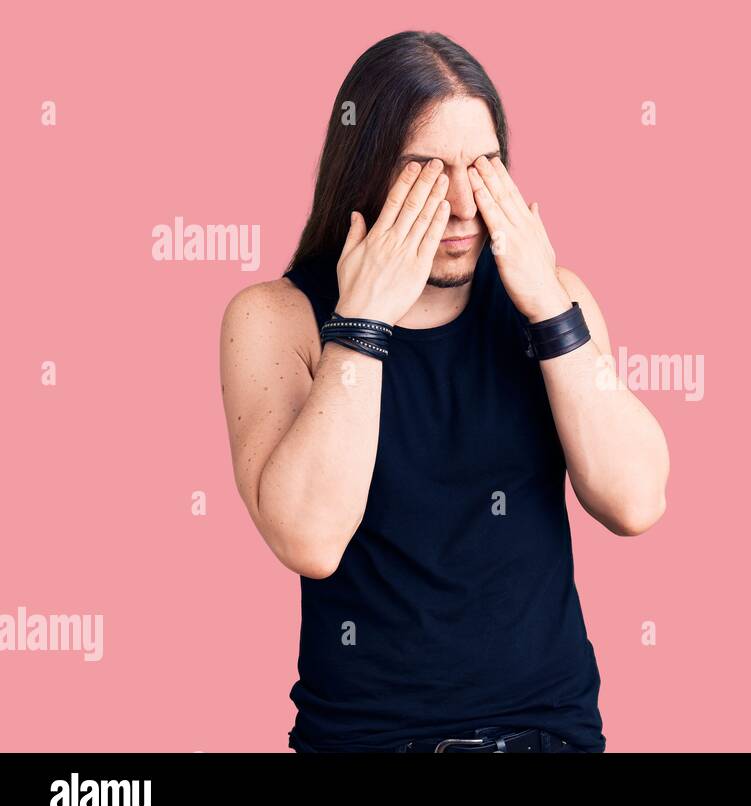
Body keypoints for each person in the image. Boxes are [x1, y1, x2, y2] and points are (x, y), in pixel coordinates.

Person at [218, 31, 669, 753]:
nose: (463, 203)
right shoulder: (274, 319)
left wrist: (552, 311)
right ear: (363, 173)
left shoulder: (555, 303)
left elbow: (636, 499)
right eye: (426, 171)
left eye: (484, 165)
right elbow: (310, 537)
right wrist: (362, 323)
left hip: (549, 732)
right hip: (367, 741)